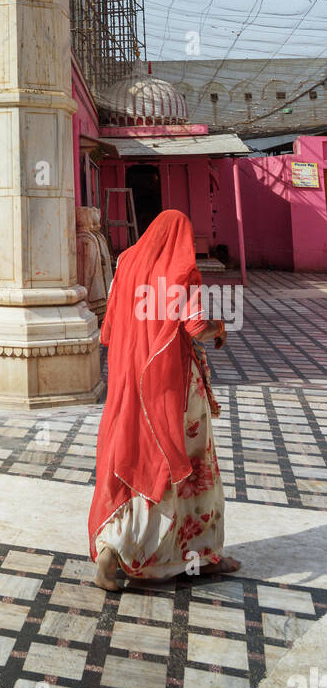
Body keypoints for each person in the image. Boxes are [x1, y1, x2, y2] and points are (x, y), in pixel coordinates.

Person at [88, 208, 241, 590]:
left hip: (129, 381)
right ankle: (200, 556)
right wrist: (220, 330)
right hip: (173, 388)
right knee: (187, 467)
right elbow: (196, 327)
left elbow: (109, 328)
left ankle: (113, 548)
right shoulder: (180, 273)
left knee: (137, 457)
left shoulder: (125, 262)